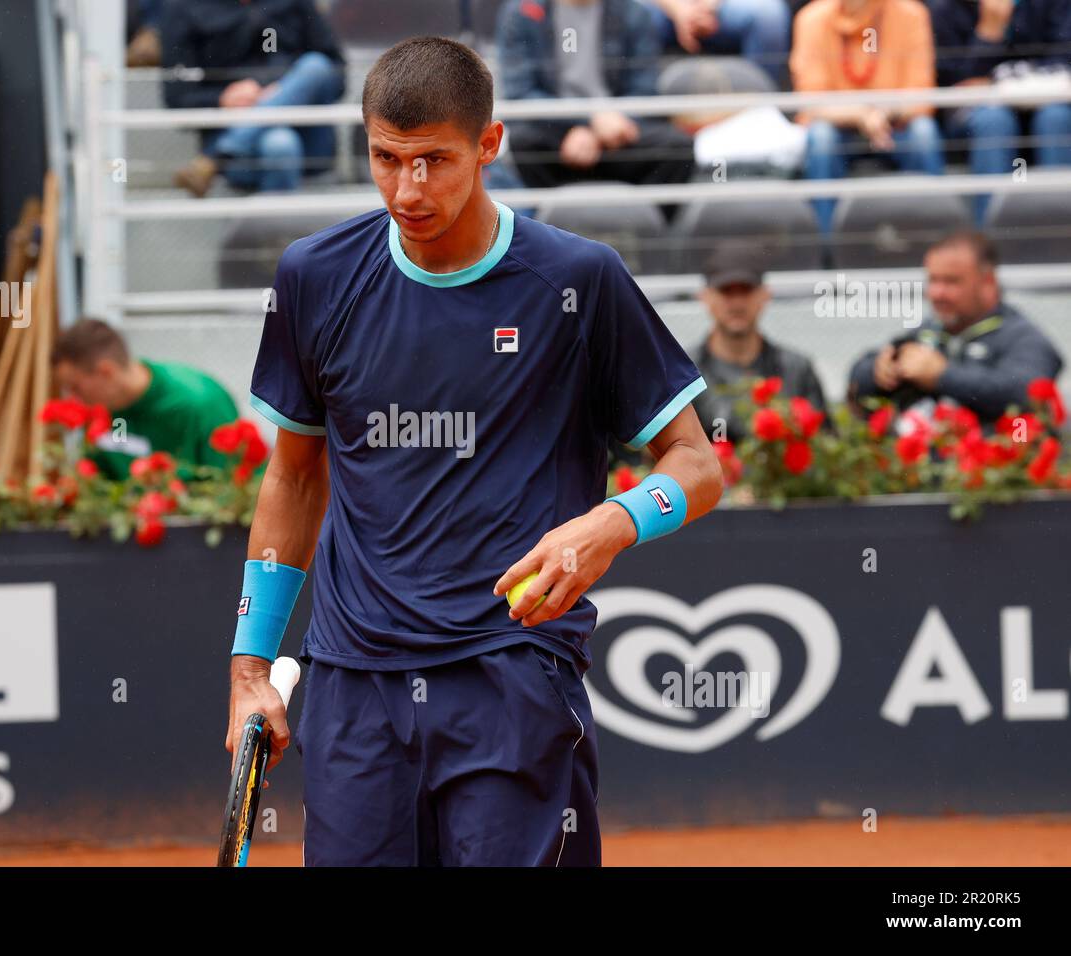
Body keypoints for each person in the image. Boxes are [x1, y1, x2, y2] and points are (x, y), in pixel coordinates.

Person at [230, 36, 722, 867]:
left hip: (514, 670)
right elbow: (294, 474)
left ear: (488, 146)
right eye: (387, 158)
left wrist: (608, 524)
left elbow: (696, 461)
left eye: (434, 161)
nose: (407, 189)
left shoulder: (578, 282)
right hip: (352, 680)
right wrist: (251, 666)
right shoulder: (313, 276)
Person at [848, 231, 1064, 422]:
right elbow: (858, 380)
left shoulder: (1022, 337)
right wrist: (879, 369)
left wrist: (943, 376)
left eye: (951, 282)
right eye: (933, 280)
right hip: (921, 463)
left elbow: (1026, 393)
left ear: (987, 282)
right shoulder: (929, 331)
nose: (937, 293)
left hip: (994, 463)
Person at [497, 0, 696, 190]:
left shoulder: (634, 13)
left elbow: (644, 90)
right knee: (523, 142)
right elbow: (520, 93)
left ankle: (643, 223)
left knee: (677, 147)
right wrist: (589, 121)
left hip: (620, 131)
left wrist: (602, 130)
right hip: (557, 132)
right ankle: (546, 222)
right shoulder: (523, 12)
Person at [791, 0, 945, 234]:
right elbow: (811, 102)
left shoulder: (911, 13)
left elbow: (920, 92)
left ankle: (934, 238)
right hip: (839, 129)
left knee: (924, 133)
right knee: (820, 138)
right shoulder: (811, 18)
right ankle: (827, 246)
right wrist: (862, 115)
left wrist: (882, 114)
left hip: (895, 126)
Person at [161, 0, 346, 195]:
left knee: (315, 66)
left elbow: (337, 77)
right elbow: (178, 98)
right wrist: (222, 98)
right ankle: (228, 152)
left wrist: (286, 89)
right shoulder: (183, 8)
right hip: (243, 155)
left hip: (310, 143)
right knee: (280, 144)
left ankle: (217, 155)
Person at [929, 0, 1071, 222]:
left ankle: (1058, 228)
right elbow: (956, 84)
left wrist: (1002, 81)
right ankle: (990, 236)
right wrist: (989, 33)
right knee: (994, 120)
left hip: (1045, 106)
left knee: (1055, 117)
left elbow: (1064, 61)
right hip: (979, 117)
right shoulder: (945, 9)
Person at [51, 318, 241, 479]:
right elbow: (99, 481)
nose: (74, 399)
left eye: (76, 387)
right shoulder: (104, 411)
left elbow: (233, 487)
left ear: (106, 372)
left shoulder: (200, 403)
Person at [691, 243, 827, 443]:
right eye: (726, 291)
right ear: (705, 297)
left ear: (765, 295)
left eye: (746, 290)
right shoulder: (684, 376)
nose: (737, 303)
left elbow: (823, 445)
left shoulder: (798, 369)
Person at [639, 0, 794, 86]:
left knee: (768, 14)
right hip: (662, 6)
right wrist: (680, 11)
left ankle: (762, 107)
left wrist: (709, 6)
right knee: (636, 14)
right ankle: (642, 109)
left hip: (723, 5)